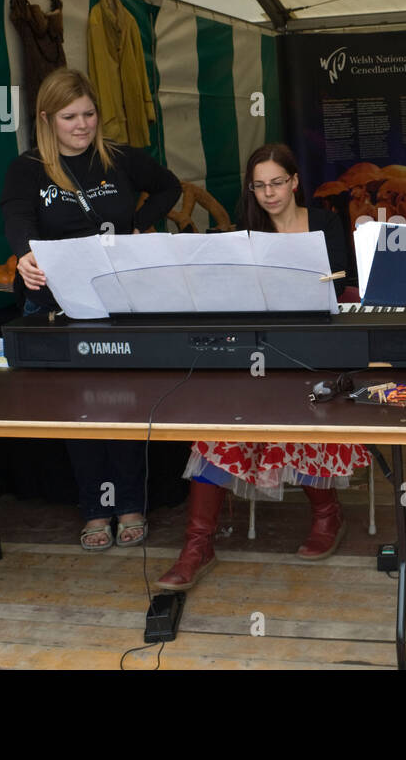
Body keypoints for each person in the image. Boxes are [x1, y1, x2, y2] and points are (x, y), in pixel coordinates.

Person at [155, 143, 371, 592]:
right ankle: (198, 544)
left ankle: (327, 515)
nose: (269, 193)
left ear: (294, 182)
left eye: (277, 183)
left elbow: (342, 292)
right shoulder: (245, 233)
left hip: (315, 351)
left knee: (303, 411)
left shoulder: (326, 224)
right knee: (218, 422)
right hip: (259, 351)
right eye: (259, 186)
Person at [1, 67, 183, 551]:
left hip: (117, 297)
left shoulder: (118, 158)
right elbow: (16, 215)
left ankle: (131, 505)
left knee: (122, 403)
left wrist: (142, 225)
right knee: (80, 408)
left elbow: (169, 186)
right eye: (69, 117)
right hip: (58, 303)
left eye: (88, 114)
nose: (81, 125)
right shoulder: (28, 168)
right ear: (46, 119)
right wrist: (25, 255)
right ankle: (93, 509)